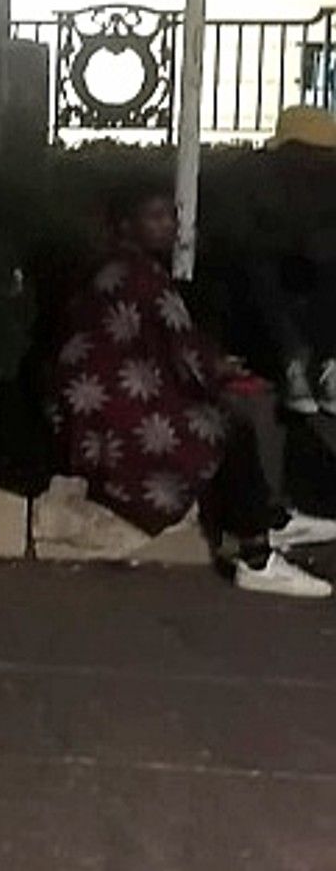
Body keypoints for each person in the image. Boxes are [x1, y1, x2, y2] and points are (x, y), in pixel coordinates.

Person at [52, 179, 336, 598]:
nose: (168, 226)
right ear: (129, 225)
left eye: (171, 216)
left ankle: (266, 519)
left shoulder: (122, 266)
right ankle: (254, 553)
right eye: (156, 217)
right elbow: (181, 347)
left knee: (231, 416)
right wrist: (219, 370)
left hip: (107, 391)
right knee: (223, 427)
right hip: (104, 407)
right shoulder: (138, 275)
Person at [242, 105, 336, 415]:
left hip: (318, 273)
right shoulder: (259, 181)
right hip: (274, 275)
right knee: (261, 272)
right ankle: (295, 364)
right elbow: (248, 239)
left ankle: (327, 367)